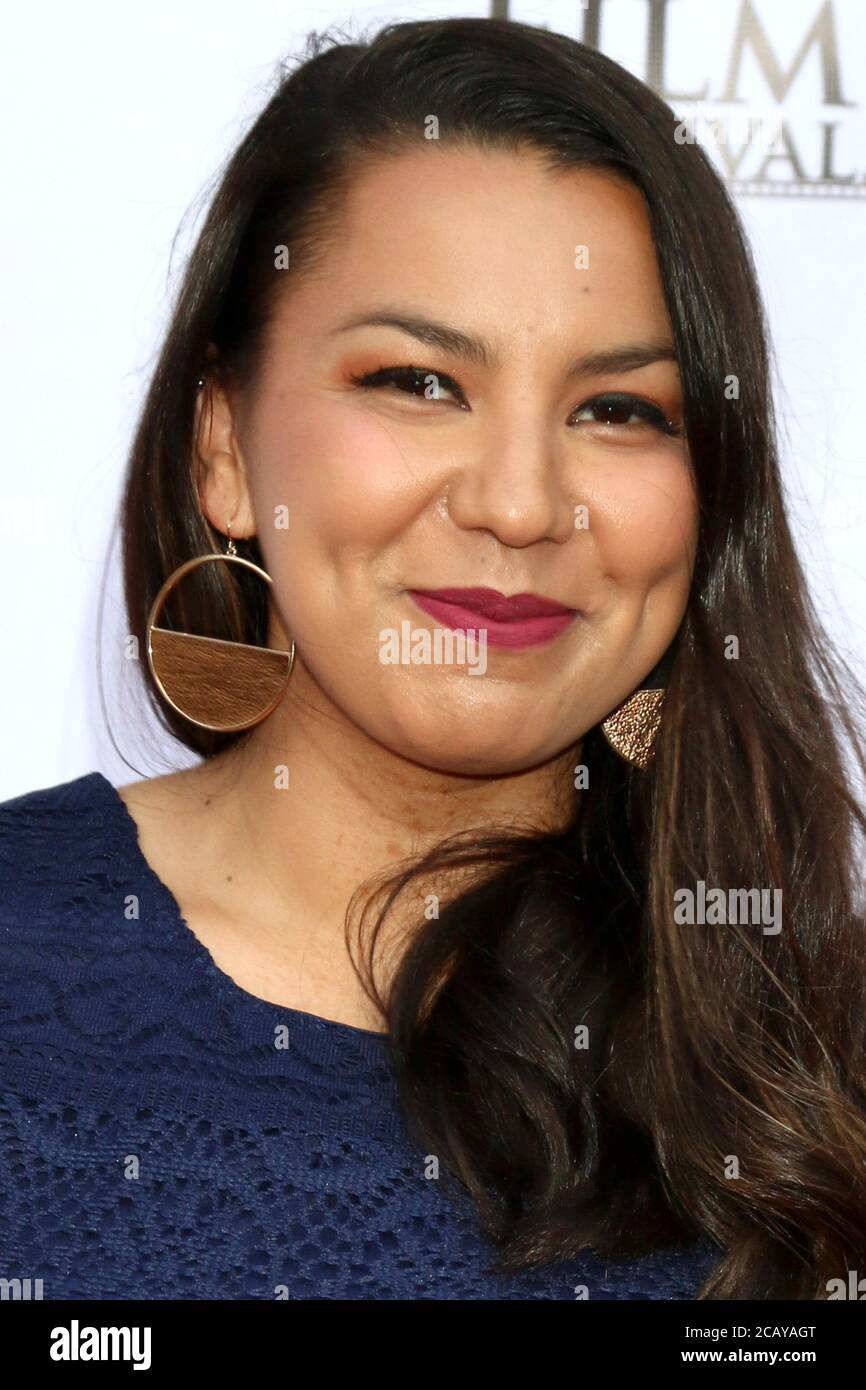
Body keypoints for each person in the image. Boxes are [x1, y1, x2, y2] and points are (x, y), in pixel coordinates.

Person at [1, 15, 864, 1301]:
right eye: (416, 383)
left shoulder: (812, 1055)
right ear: (223, 447)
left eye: (616, 409)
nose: (519, 503)